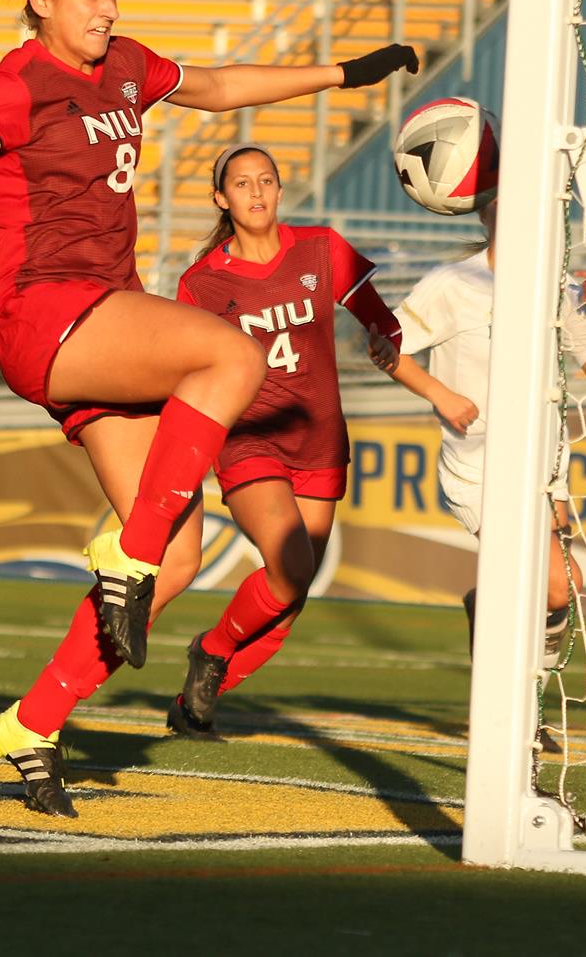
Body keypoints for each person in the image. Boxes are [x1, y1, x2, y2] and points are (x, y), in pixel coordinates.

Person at [0, 0, 418, 815]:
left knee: (179, 559)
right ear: (42, 0)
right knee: (232, 359)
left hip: (106, 322)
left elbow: (221, 87)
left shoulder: (127, 68)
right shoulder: (13, 84)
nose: (110, 7)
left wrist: (344, 74)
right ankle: (126, 552)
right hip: (45, 315)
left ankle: (32, 720)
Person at [166, 144, 402, 737]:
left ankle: (194, 702)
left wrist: (386, 339)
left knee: (288, 601)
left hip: (320, 444)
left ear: (278, 189)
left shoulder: (321, 248)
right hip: (250, 442)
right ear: (221, 198)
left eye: (266, 180)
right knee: (291, 567)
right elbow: (186, 371)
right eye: (241, 183)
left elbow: (382, 318)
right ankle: (213, 649)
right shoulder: (200, 283)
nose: (255, 191)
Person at [377, 190, 586, 746]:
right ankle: (512, 715)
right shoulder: (452, 283)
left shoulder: (558, 286)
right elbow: (385, 345)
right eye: (503, 201)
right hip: (478, 462)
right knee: (546, 587)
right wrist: (440, 394)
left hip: (542, 460)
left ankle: (512, 695)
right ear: (485, 213)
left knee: (558, 591)